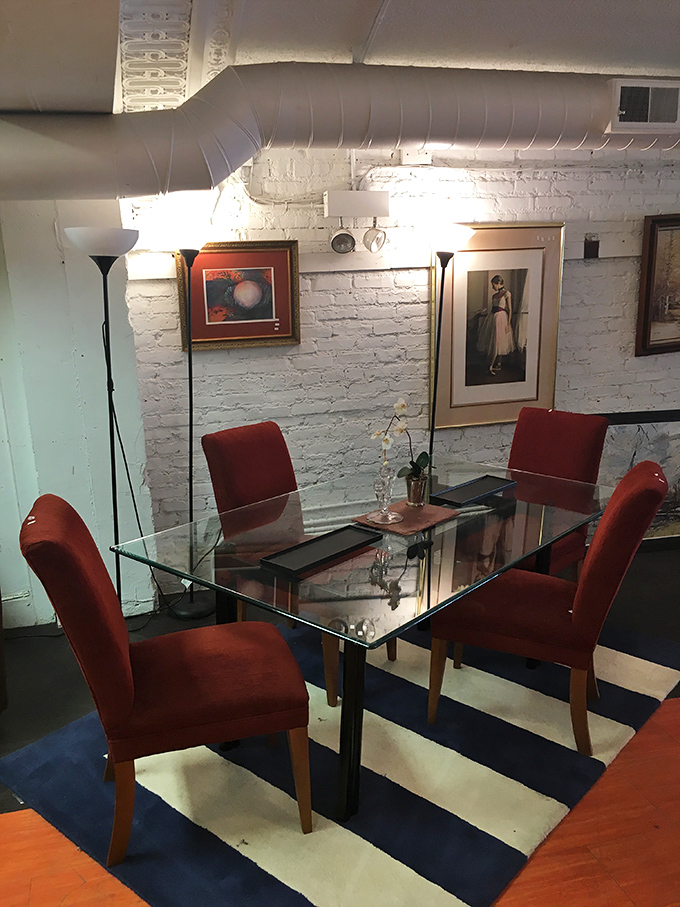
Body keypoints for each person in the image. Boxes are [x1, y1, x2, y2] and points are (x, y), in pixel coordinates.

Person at [477, 274, 516, 375]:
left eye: (493, 284)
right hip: (493, 317)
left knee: (499, 340)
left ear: (498, 283)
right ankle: (497, 363)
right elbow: (492, 308)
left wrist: (508, 324)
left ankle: (493, 365)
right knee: (494, 340)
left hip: (501, 318)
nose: (493, 287)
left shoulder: (507, 294)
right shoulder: (494, 296)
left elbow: (510, 309)